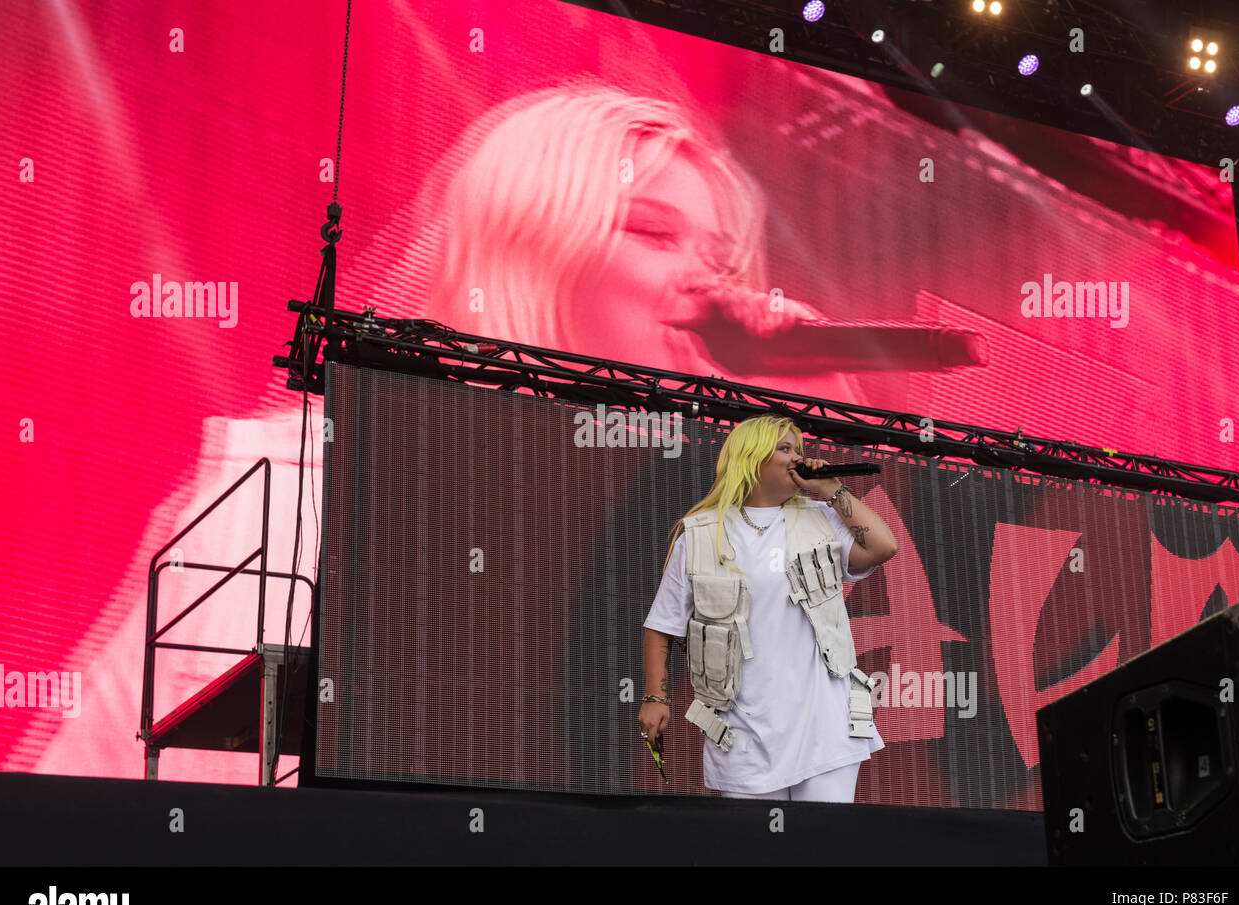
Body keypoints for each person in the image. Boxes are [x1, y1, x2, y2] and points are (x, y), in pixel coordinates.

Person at [354, 82, 865, 403]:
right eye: (655, 233)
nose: (707, 280)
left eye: (722, 260)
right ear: (531, 245)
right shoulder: (320, 472)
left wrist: (822, 418)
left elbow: (884, 573)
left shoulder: (703, 497)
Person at [637, 415, 899, 803]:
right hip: (743, 730)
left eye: (800, 450)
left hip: (823, 725)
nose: (798, 458)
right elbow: (662, 626)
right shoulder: (701, 534)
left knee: (821, 846)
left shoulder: (821, 518)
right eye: (785, 448)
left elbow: (883, 546)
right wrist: (655, 697)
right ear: (752, 457)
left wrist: (833, 490)